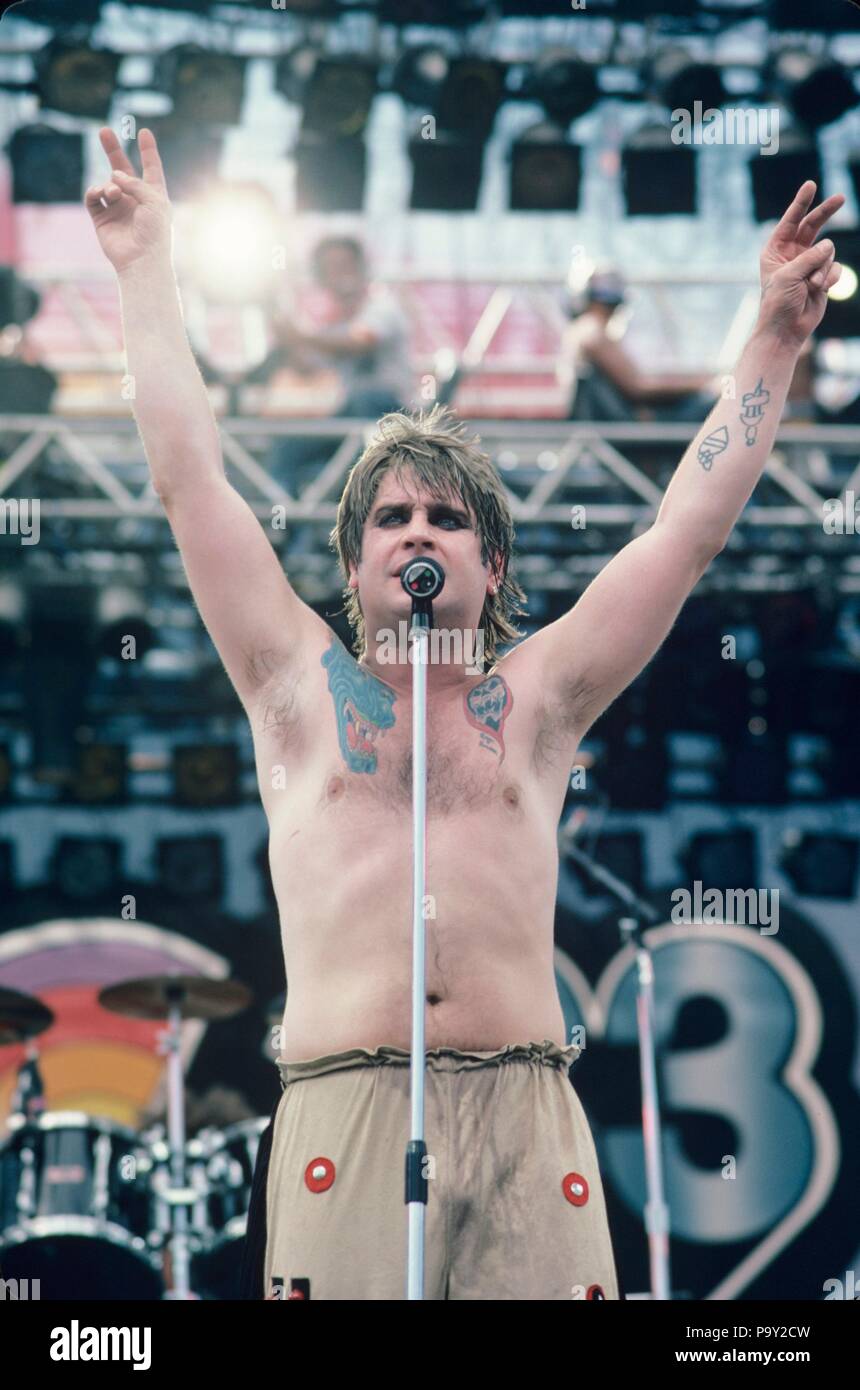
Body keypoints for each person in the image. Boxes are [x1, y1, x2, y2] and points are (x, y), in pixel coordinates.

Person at [85, 126, 843, 1299]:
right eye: (390, 518)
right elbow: (191, 481)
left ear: (489, 564)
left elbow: (680, 534)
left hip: (524, 1098)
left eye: (445, 519)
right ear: (353, 563)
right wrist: (146, 269)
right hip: (345, 1097)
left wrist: (770, 343)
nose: (418, 534)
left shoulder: (536, 698)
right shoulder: (294, 686)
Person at [559, 267, 716, 424]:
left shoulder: (581, 331)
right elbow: (639, 388)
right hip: (624, 427)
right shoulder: (593, 331)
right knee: (712, 406)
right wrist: (701, 385)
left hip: (615, 422)